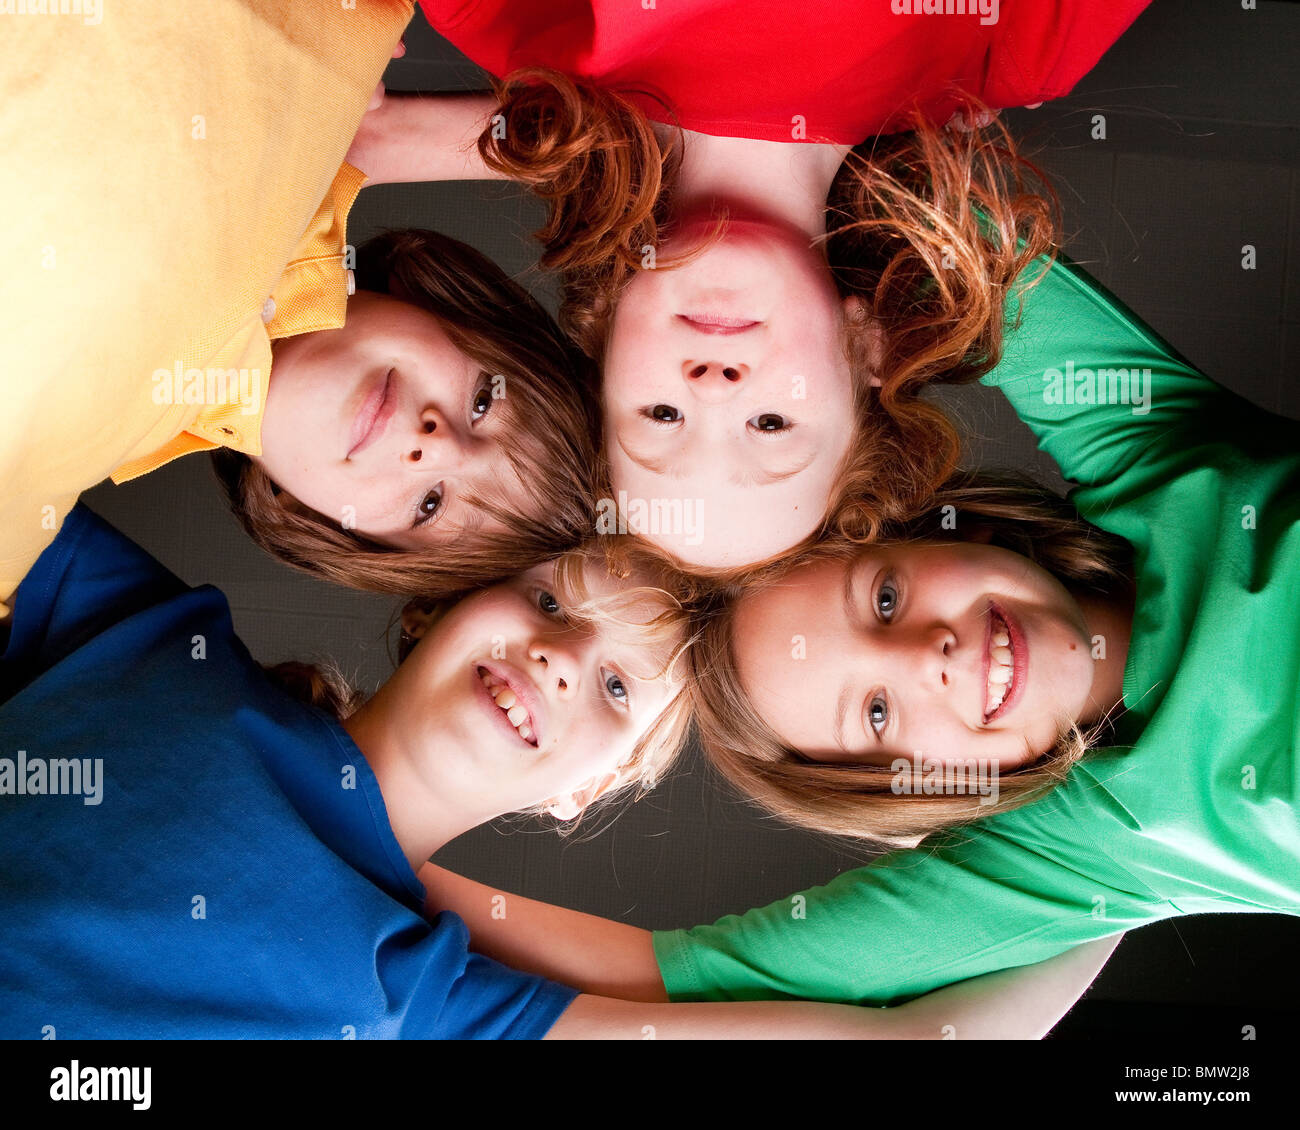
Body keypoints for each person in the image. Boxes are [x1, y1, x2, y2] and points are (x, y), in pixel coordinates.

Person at [416, 250, 1300, 1008]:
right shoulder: (1076, 850)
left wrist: (825, 360)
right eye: (876, 716)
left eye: (885, 600)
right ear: (915, 785)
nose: (930, 656)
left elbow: (938, 249)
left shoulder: (1160, 455)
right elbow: (672, 977)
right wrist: (346, 839)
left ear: (951, 530)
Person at [0, 504, 1117, 1038]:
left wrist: (1128, 858)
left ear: (590, 785)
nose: (559, 656)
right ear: (447, 598)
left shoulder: (427, 997)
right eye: (548, 599)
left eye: (621, 691)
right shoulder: (160, 636)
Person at [348, 0, 1151, 571]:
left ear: (603, 336)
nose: (715, 388)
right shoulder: (1012, 49)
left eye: (661, 416)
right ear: (865, 345)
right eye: (771, 424)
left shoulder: (527, 23)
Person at [0, 0, 413, 617]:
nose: (432, 441)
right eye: (485, 399)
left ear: (312, 520)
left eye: (429, 504)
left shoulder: (138, 423)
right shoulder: (313, 116)